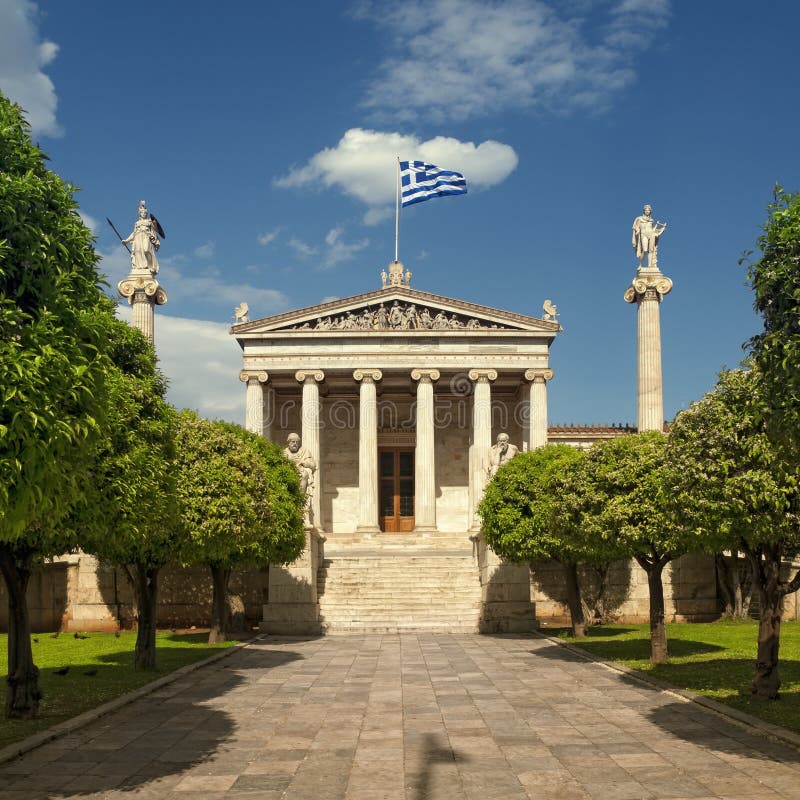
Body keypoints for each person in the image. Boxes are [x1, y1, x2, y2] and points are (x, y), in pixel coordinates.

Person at [284, 433, 316, 524]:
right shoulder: (284, 453)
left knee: (304, 474)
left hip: (301, 477)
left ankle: (300, 500)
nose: (295, 444)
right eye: (292, 442)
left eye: (297, 442)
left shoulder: (305, 451)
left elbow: (313, 465)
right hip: (289, 476)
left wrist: (305, 463)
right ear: (288, 443)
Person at [122, 200, 160, 274]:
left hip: (146, 237)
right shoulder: (137, 223)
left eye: (145, 213)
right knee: (138, 251)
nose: (144, 214)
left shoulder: (149, 222)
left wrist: (155, 224)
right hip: (138, 238)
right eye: (142, 213)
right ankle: (140, 267)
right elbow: (134, 233)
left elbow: (155, 230)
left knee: (146, 250)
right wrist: (126, 241)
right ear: (140, 214)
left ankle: (150, 266)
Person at [632, 204, 666, 269]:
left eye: (649, 210)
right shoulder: (639, 218)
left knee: (651, 250)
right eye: (646, 210)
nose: (647, 211)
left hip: (651, 234)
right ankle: (641, 264)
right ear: (644, 211)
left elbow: (652, 229)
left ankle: (650, 265)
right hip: (643, 234)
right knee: (644, 250)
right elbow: (636, 227)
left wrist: (661, 229)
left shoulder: (651, 220)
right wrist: (637, 230)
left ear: (650, 211)